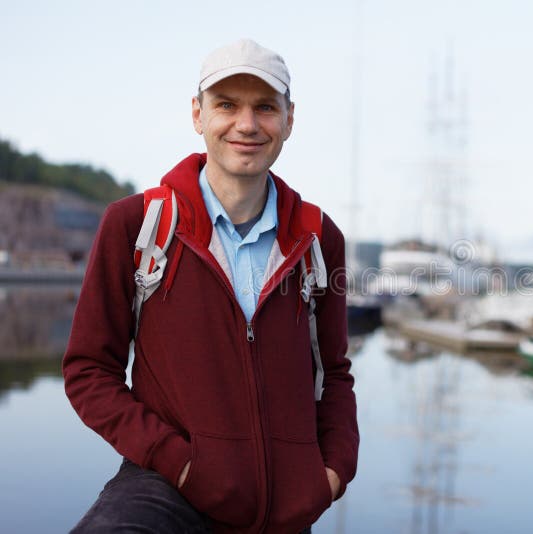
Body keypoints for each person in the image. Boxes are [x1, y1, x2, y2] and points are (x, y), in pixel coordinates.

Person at [63, 38, 359, 533]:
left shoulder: (318, 237)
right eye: (226, 105)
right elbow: (88, 370)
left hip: (286, 506)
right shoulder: (136, 224)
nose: (247, 124)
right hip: (167, 487)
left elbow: (334, 374)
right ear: (198, 114)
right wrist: (177, 463)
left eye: (265, 107)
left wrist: (332, 473)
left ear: (289, 120)